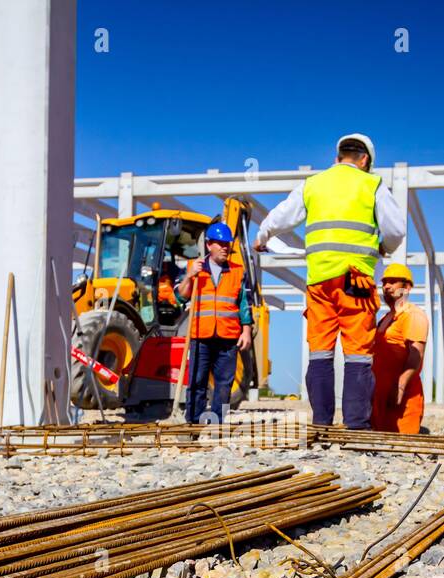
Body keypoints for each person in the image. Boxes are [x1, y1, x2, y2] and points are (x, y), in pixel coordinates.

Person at [255, 133, 406, 428]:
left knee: (320, 353)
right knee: (358, 356)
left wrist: (262, 237)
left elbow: (281, 216)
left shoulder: (313, 184)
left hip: (320, 282)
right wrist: (383, 248)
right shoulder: (371, 184)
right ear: (365, 160)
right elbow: (396, 230)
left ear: (337, 158)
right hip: (356, 282)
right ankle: (355, 426)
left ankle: (322, 423)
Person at [175, 221, 253, 424]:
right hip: (201, 335)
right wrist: (189, 277)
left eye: (227, 244)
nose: (225, 248)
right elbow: (181, 297)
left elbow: (244, 304)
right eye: (221, 244)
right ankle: (193, 422)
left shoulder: (237, 271)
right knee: (196, 381)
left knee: (224, 384)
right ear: (209, 245)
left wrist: (246, 331)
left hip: (228, 337)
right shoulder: (196, 269)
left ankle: (217, 423)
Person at [371, 263, 427, 434]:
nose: (386, 287)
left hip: (402, 399)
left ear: (407, 287)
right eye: (384, 283)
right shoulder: (386, 318)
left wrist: (400, 386)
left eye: (393, 282)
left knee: (401, 449)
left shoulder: (413, 315)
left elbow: (416, 355)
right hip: (382, 398)